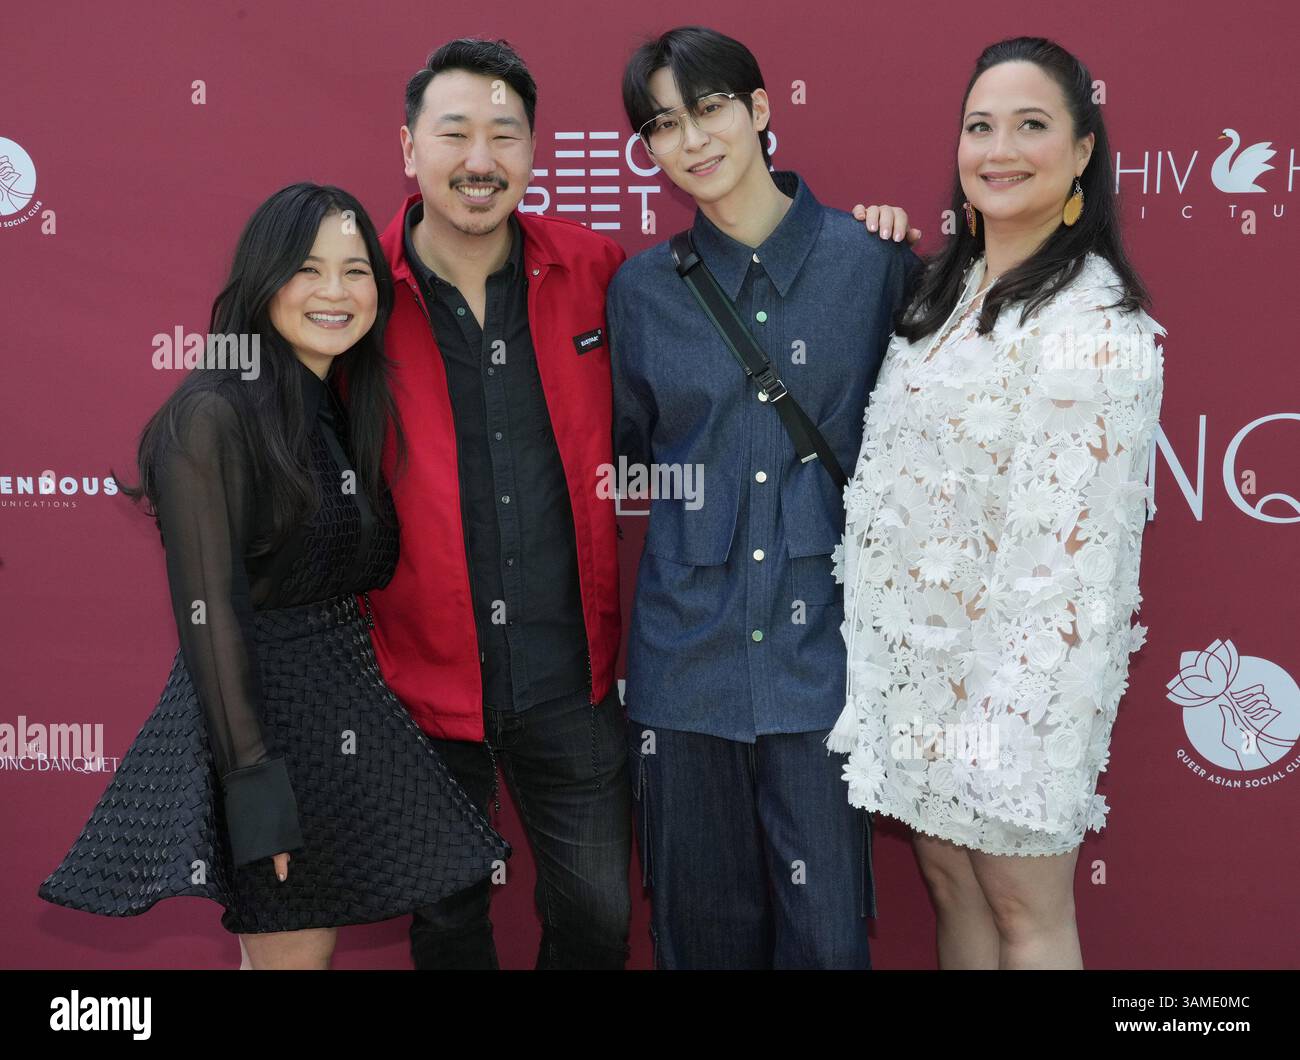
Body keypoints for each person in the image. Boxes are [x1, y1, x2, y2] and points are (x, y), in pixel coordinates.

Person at [37, 183, 509, 970]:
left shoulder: (335, 408)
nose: (335, 292)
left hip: (340, 722)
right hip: (262, 733)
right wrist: (254, 793)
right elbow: (209, 613)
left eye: (356, 271)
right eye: (308, 269)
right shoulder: (211, 416)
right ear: (264, 281)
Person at [828, 36, 1167, 970]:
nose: (1000, 149)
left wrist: (1005, 723)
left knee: (1027, 915)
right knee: (949, 886)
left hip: (1017, 687)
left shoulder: (1094, 323)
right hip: (917, 666)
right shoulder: (941, 290)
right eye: (980, 127)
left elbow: (1067, 557)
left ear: (1083, 152)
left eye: (1031, 126)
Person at [608, 25, 922, 969]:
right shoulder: (640, 292)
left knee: (829, 945)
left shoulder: (872, 262)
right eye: (664, 124)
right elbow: (627, 452)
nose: (692, 139)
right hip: (683, 670)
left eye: (708, 109)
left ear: (759, 109)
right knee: (696, 943)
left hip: (823, 667)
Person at [369, 39, 632, 969]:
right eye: (455, 134)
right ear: (409, 149)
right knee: (445, 925)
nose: (480, 160)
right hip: (417, 683)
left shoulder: (598, 270)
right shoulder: (355, 290)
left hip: (573, 676)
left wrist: (842, 229)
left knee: (600, 918)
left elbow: (718, 296)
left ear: (531, 153)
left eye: (504, 136)